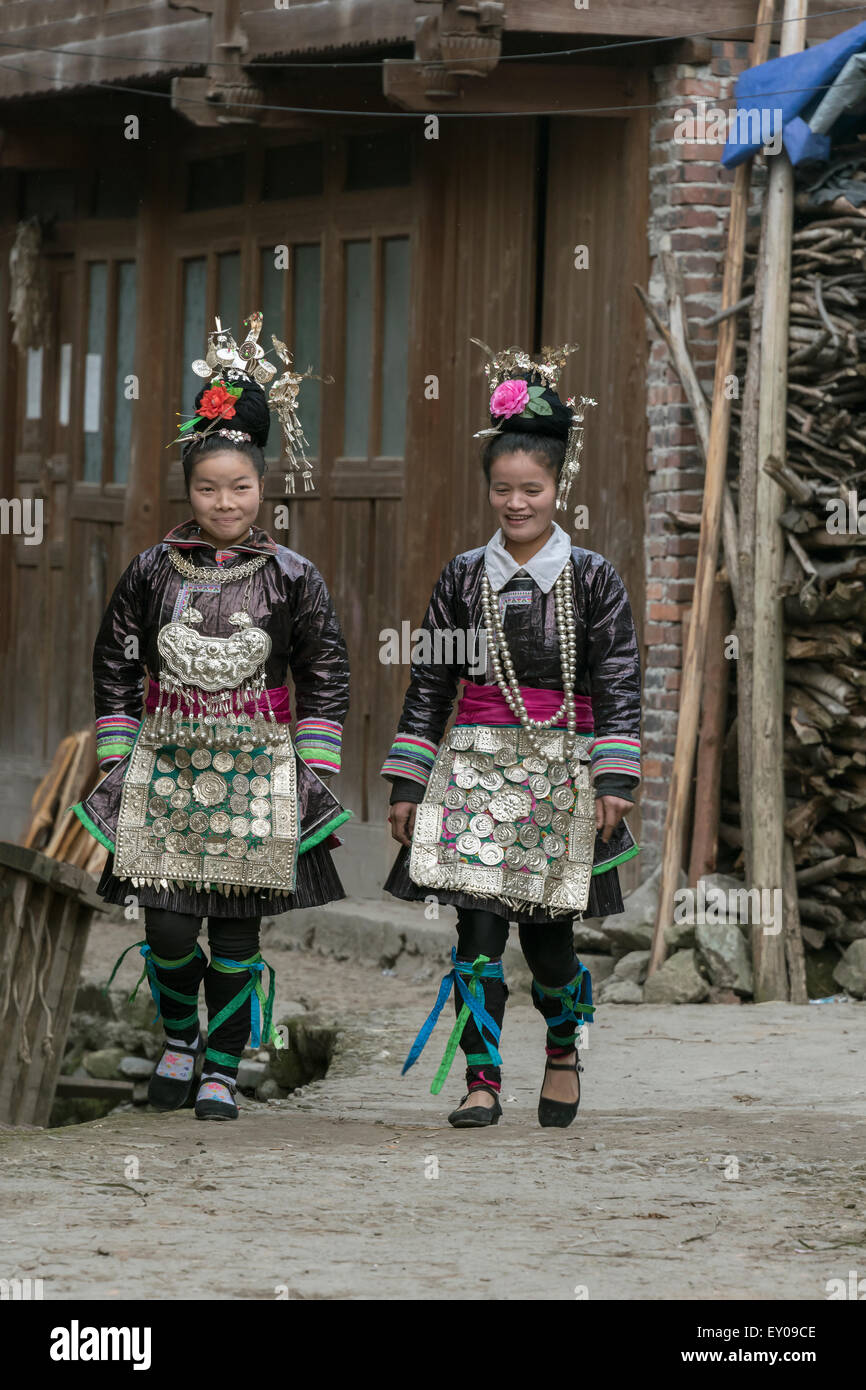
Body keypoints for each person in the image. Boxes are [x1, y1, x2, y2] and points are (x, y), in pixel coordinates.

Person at [71, 311, 350, 1121]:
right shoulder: (151, 570)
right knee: (165, 923)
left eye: (240, 487)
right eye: (207, 487)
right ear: (187, 491)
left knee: (234, 933)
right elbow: (117, 661)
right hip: (166, 763)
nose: (224, 501)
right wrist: (119, 758)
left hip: (259, 766)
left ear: (262, 487)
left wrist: (314, 765)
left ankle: (222, 1065)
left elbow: (324, 668)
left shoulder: (293, 576)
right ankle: (178, 1036)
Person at [382, 340, 641, 1130]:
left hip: (562, 774)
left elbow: (620, 679)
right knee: (477, 934)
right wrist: (407, 782)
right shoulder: (464, 579)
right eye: (503, 489)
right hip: (473, 772)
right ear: (488, 489)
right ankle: (482, 1077)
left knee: (551, 943)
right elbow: (431, 683)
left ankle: (563, 1045)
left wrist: (613, 778)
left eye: (532, 489)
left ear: (558, 486)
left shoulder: (593, 579)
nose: (516, 503)